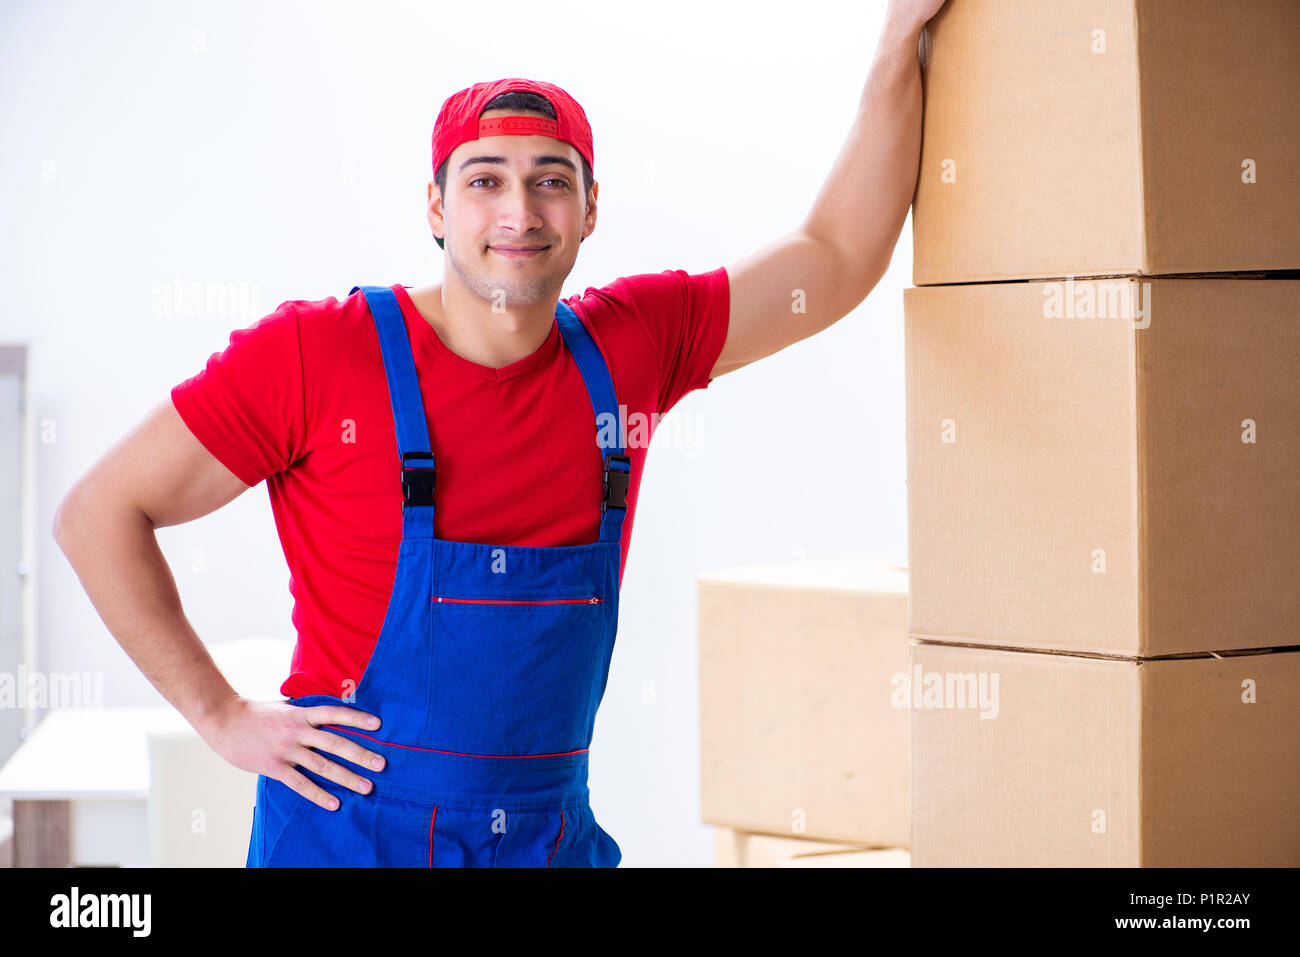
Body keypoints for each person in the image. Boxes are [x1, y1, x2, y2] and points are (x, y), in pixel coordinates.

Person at [51, 0, 946, 867]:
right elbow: (98, 512)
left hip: (547, 841)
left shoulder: (634, 344)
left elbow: (833, 259)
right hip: (349, 837)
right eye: (485, 180)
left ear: (590, 210)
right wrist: (218, 714)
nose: (520, 211)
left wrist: (898, 39)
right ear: (437, 208)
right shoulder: (316, 354)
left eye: (550, 180)